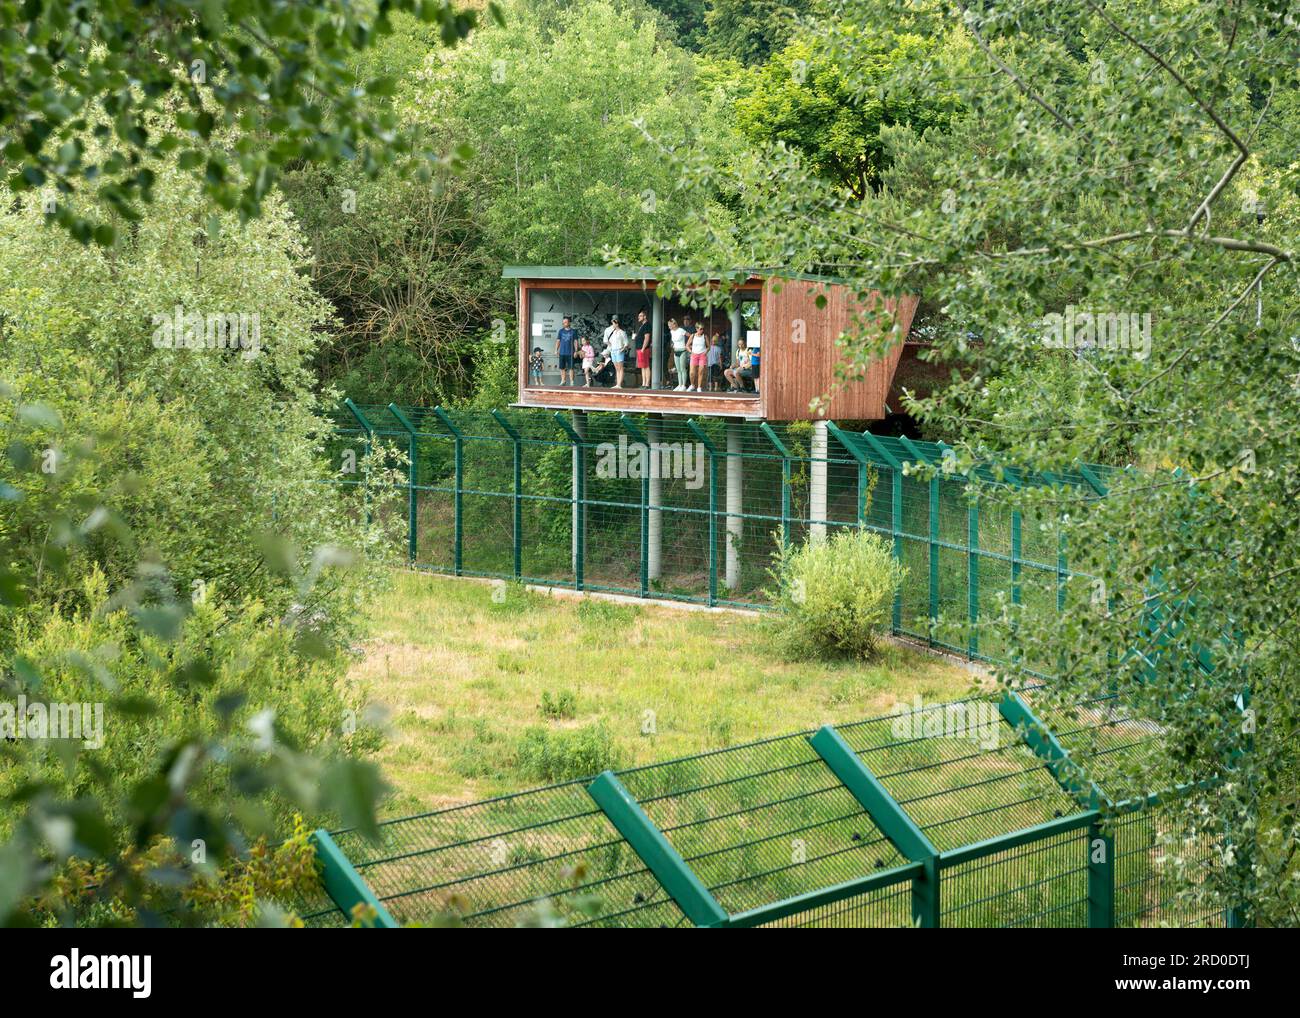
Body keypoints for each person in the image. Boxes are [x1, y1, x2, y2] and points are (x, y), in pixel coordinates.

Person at [604, 315, 629, 388]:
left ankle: (619, 384)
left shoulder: (622, 332)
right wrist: (610, 347)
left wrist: (622, 349)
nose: (613, 325)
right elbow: (608, 341)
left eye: (614, 323)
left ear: (617, 323)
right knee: (617, 368)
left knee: (620, 368)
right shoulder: (613, 332)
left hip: (619, 351)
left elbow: (626, 343)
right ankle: (617, 384)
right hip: (613, 351)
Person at [555, 316, 577, 386]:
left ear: (569, 323)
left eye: (565, 322)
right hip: (562, 352)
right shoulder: (561, 331)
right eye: (563, 322)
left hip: (570, 352)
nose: (564, 323)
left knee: (571, 368)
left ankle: (572, 381)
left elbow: (575, 341)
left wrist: (576, 351)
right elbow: (558, 341)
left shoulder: (573, 331)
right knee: (562, 368)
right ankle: (563, 381)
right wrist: (556, 350)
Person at [668, 317, 689, 391]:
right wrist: (672, 344)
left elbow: (690, 336)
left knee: (683, 368)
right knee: (678, 369)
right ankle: (679, 385)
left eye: (670, 325)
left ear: (674, 324)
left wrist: (688, 345)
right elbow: (673, 340)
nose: (669, 327)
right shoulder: (671, 331)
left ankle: (684, 385)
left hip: (682, 350)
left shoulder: (681, 330)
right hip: (676, 351)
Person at [633, 309, 653, 388]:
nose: (639, 317)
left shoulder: (647, 325)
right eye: (638, 316)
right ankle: (643, 383)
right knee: (642, 366)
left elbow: (647, 338)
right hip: (639, 348)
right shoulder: (642, 325)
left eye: (640, 316)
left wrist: (643, 348)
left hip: (643, 349)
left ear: (645, 316)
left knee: (646, 366)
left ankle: (647, 384)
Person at [688, 322, 708, 392]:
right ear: (696, 329)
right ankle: (692, 385)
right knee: (692, 373)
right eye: (700, 329)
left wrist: (706, 351)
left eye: (703, 329)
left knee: (701, 371)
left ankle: (699, 387)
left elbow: (708, 346)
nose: (702, 330)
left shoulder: (705, 336)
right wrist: (691, 352)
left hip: (702, 355)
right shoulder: (692, 336)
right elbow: (687, 345)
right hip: (694, 355)